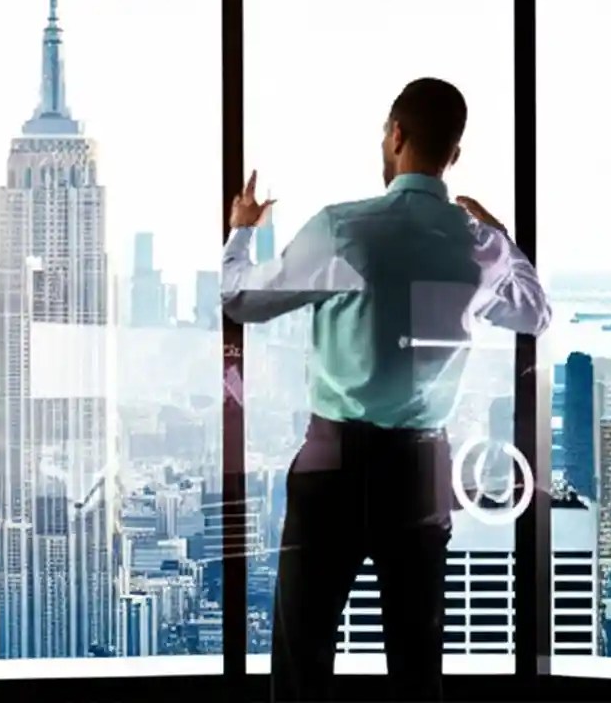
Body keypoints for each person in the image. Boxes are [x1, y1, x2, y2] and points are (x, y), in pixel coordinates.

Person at [220, 77, 551, 702]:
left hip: (332, 463)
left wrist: (241, 231)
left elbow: (242, 298)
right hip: (421, 470)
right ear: (454, 155)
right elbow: (536, 312)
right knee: (417, 656)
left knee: (303, 651)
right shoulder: (476, 246)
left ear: (396, 135)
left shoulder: (345, 229)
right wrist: (502, 239)